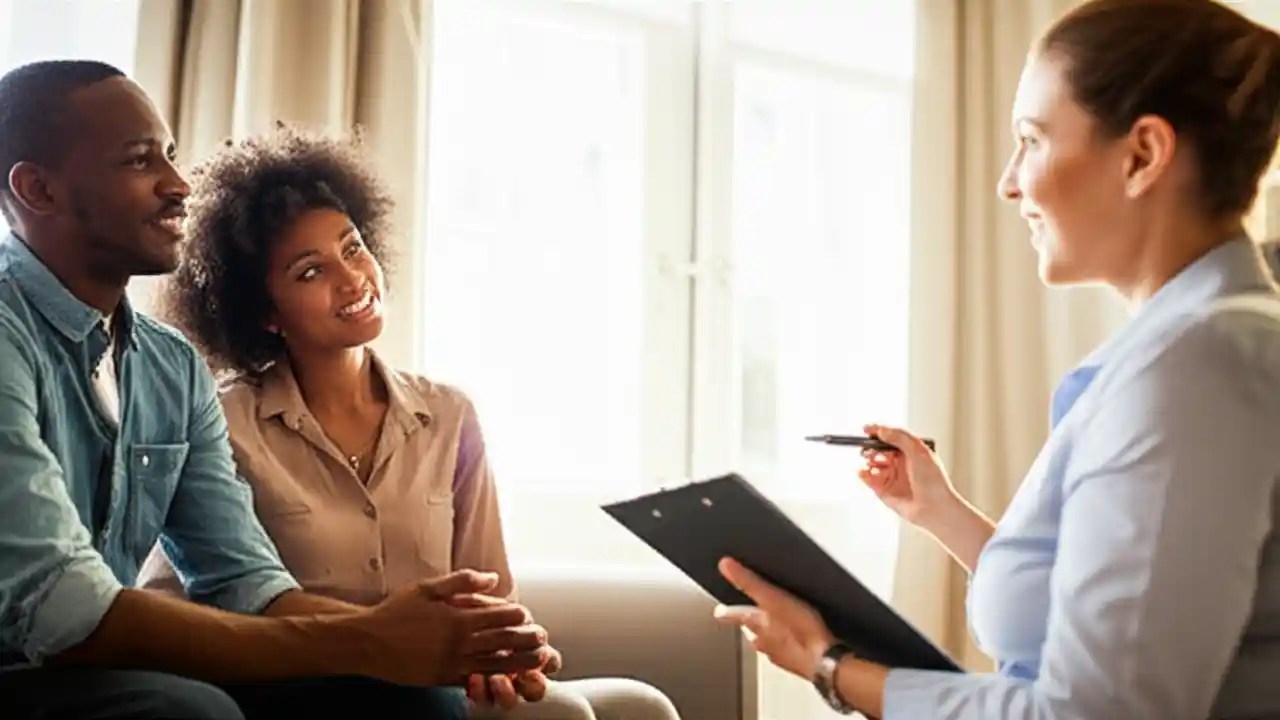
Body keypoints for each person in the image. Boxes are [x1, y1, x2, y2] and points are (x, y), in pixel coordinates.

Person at [713, 0, 1280, 717]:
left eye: (1031, 140)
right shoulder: (1191, 353)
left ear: (1142, 155)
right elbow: (1107, 611)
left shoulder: (1195, 369)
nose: (1009, 183)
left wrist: (830, 666)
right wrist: (941, 513)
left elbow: (1094, 711)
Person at [0, 60, 554, 720]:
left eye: (170, 155)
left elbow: (245, 582)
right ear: (38, 189)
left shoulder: (170, 368)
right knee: (190, 712)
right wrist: (369, 639)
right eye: (140, 161)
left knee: (417, 699)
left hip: (91, 675)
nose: (179, 184)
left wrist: (429, 641)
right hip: (32, 665)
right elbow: (63, 608)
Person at [136, 123, 680, 720]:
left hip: (438, 681)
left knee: (642, 707)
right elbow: (176, 603)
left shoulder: (450, 415)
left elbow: (490, 594)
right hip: (296, 688)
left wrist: (509, 653)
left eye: (352, 248)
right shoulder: (225, 424)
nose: (352, 278)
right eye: (311, 271)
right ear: (266, 313)